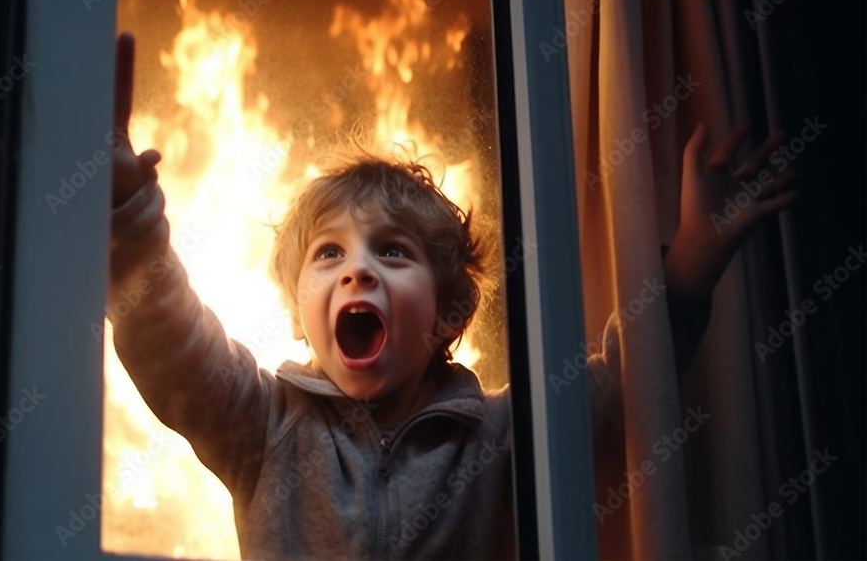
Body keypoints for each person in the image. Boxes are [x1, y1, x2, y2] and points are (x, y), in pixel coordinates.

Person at [107, 33, 798, 560]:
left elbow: (624, 388)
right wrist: (130, 213)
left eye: (394, 251)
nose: (359, 270)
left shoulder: (495, 438)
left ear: (449, 315)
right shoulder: (262, 426)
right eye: (329, 253)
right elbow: (171, 341)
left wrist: (690, 267)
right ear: (295, 314)